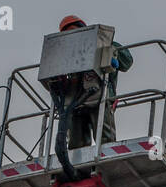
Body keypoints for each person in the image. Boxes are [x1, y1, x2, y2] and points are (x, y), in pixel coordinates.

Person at [57, 15, 134, 147]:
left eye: (74, 31)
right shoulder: (68, 55)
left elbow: (127, 62)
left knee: (105, 140)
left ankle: (106, 164)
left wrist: (110, 49)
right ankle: (77, 167)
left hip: (101, 97)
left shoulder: (105, 44)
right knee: (76, 144)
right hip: (75, 103)